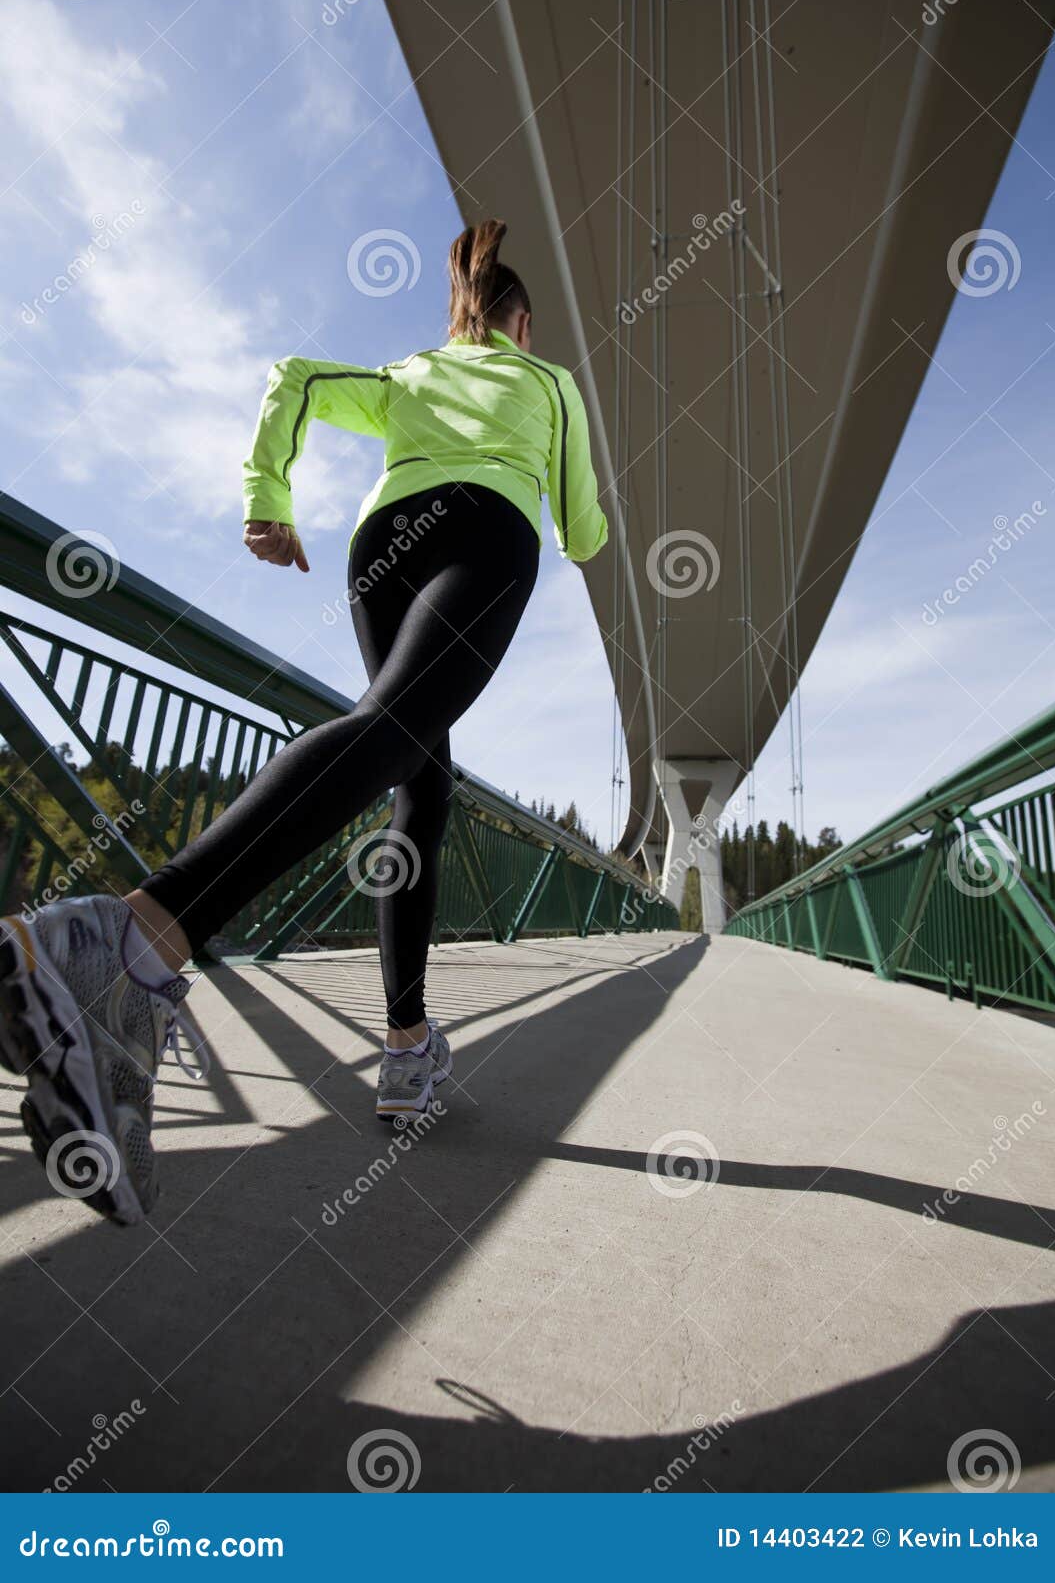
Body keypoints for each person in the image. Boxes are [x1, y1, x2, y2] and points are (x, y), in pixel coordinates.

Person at [0, 220, 609, 1227]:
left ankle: (405, 1044)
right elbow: (583, 529)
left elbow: (298, 376)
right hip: (488, 531)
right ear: (523, 324)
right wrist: (570, 500)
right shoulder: (547, 385)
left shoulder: (412, 370)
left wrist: (266, 494)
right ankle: (128, 942)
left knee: (415, 766)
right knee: (396, 735)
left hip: (386, 542)